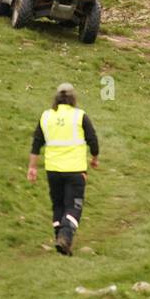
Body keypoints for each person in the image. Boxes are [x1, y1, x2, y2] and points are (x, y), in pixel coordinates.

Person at [27, 83, 99, 256]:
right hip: (75, 170)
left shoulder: (46, 116)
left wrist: (32, 167)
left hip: (53, 170)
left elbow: (37, 143)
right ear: (74, 99)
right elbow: (92, 139)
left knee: (58, 205)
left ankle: (59, 239)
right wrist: (95, 157)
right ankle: (65, 238)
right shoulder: (79, 116)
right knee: (74, 205)